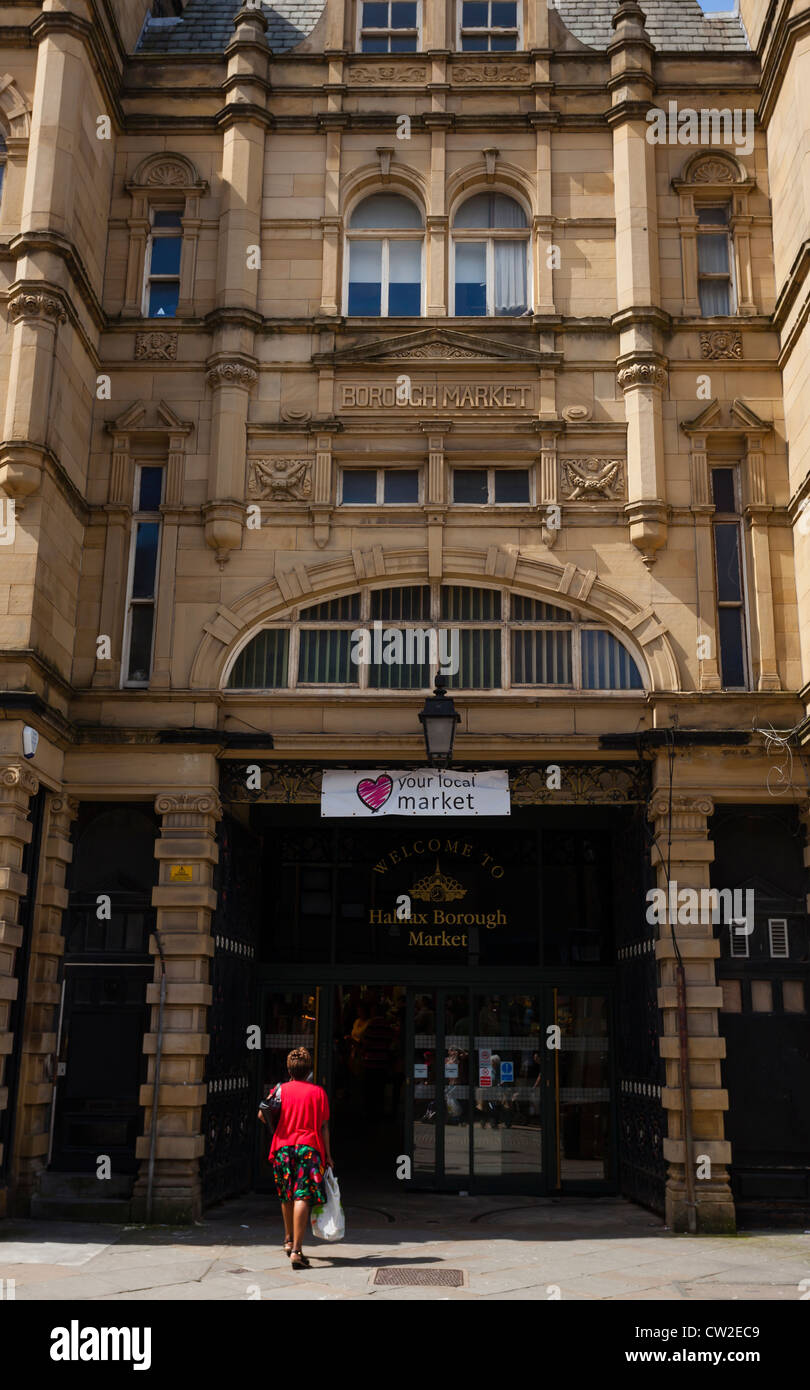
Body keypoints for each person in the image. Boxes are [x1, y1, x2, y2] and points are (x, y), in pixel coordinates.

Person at [261, 1046, 333, 1270]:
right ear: (309, 1070)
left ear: (289, 1070)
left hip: (283, 1147)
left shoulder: (280, 1089)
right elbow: (323, 1128)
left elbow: (261, 1113)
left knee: (287, 1195)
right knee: (303, 1196)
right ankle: (297, 1251)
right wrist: (328, 1156)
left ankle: (288, 1239)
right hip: (308, 1148)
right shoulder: (318, 1092)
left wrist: (278, 1128)